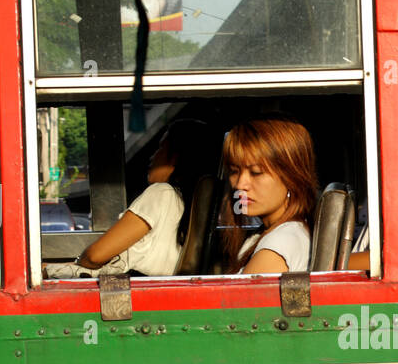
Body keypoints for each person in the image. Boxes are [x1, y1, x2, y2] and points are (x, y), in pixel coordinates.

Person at [45, 120, 210, 278]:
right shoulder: (186, 201)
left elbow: (94, 257)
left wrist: (61, 267)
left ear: (174, 158)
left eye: (160, 149)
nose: (152, 157)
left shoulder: (162, 193)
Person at [221, 117, 318, 276]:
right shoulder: (269, 233)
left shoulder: (280, 242)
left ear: (292, 177)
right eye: (234, 171)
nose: (240, 185)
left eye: (256, 173)